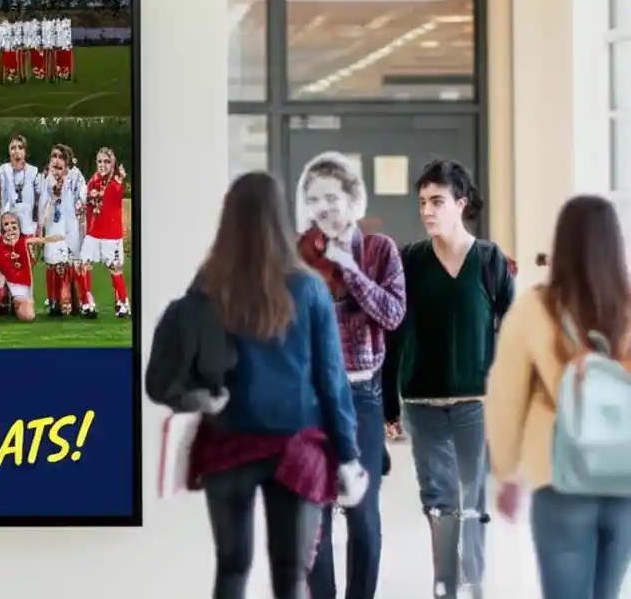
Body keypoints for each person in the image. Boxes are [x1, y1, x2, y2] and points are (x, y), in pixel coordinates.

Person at [192, 171, 365, 599]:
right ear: (281, 220)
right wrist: (348, 456)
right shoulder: (308, 287)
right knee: (291, 577)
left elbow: (193, 358)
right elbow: (331, 380)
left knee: (231, 570)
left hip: (226, 440)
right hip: (296, 446)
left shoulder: (210, 283)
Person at [486, 195, 631, 599]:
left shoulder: (537, 307)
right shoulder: (627, 307)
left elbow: (506, 395)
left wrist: (506, 471)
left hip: (560, 477)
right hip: (625, 481)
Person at [393, 159, 514, 599]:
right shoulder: (409, 260)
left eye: (437, 201)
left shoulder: (489, 259)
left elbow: (514, 330)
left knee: (473, 500)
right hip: (421, 403)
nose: (427, 210)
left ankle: (474, 584)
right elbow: (394, 332)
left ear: (460, 204)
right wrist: (389, 403)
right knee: (439, 501)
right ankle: (445, 586)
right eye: (423, 201)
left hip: (475, 402)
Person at [295, 153, 405, 599]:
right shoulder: (298, 253)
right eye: (315, 198)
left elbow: (393, 314)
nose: (325, 207)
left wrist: (351, 270)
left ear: (354, 199)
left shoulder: (380, 251)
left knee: (362, 514)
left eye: (333, 197)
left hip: (362, 396)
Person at [80, 148, 130, 318]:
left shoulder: (116, 182)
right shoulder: (93, 181)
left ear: (113, 164)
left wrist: (120, 178)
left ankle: (123, 303)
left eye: (106, 162)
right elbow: (86, 200)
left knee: (115, 268)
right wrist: (86, 200)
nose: (102, 165)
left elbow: (113, 197)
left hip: (111, 234)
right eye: (100, 161)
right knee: (84, 264)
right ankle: (87, 303)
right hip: (94, 232)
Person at [39, 155, 82, 317]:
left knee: (64, 266)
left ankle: (68, 301)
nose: (56, 169)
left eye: (60, 165)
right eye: (53, 164)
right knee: (52, 264)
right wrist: (53, 199)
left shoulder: (73, 180)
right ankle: (53, 301)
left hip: (67, 229)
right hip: (52, 229)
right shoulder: (46, 183)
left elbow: (79, 201)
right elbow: (43, 214)